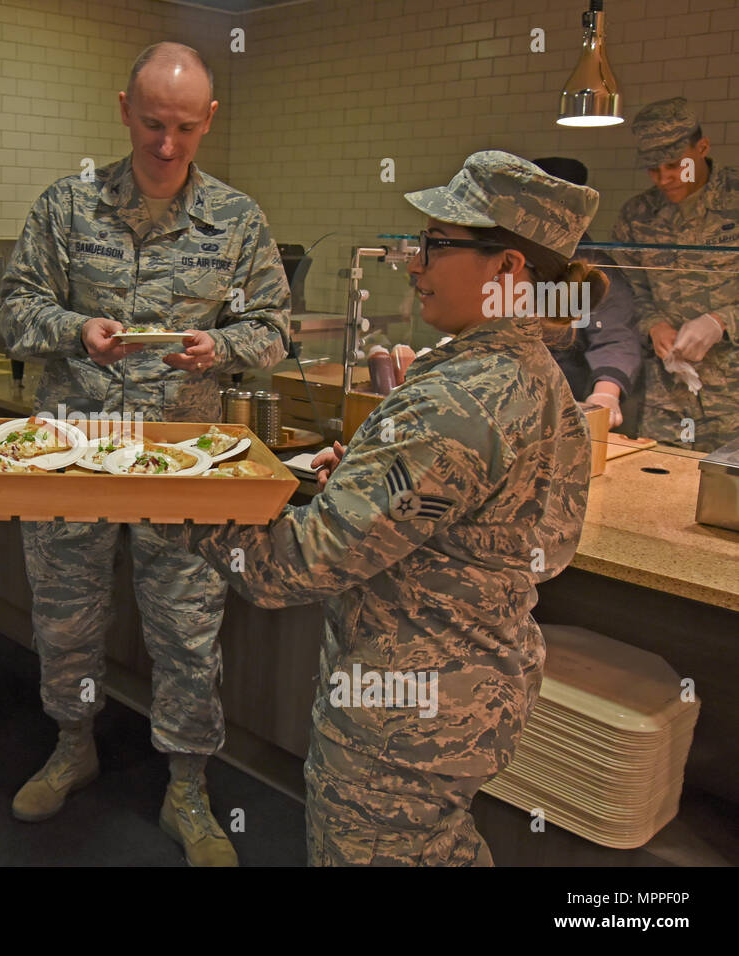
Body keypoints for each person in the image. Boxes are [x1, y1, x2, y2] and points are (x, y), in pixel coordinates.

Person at [160, 151, 605, 865]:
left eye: (435, 244)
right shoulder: (536, 375)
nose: (413, 263)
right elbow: (543, 541)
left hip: (400, 723)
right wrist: (377, 488)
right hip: (478, 695)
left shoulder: (457, 400)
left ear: (508, 272)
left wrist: (173, 502)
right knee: (439, 849)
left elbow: (291, 569)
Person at [0, 42, 290, 866]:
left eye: (186, 128)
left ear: (210, 120)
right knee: (65, 621)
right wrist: (74, 331)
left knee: (188, 632)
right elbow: (16, 309)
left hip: (180, 464)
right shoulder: (66, 206)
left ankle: (189, 788)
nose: (167, 145)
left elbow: (272, 328)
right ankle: (72, 746)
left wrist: (221, 346)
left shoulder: (236, 220)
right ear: (123, 108)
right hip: (75, 457)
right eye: (154, 123)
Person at [611, 98, 739, 452]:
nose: (664, 178)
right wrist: (652, 323)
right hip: (667, 402)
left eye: (673, 164)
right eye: (653, 169)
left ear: (703, 148)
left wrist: (722, 321)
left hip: (733, 404)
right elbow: (626, 293)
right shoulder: (638, 216)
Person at [531, 157, 641, 431]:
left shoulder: (594, 265)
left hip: (570, 407)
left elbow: (615, 338)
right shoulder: (509, 258)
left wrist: (605, 395)